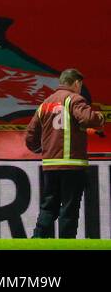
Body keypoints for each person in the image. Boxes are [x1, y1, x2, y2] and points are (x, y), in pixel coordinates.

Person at [26, 69, 104, 239]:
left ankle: (37, 241)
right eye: (80, 85)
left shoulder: (45, 104)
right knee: (69, 209)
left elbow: (30, 137)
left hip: (50, 166)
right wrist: (99, 118)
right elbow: (87, 118)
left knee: (48, 207)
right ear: (76, 83)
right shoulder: (75, 99)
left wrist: (42, 149)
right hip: (72, 165)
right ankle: (66, 244)